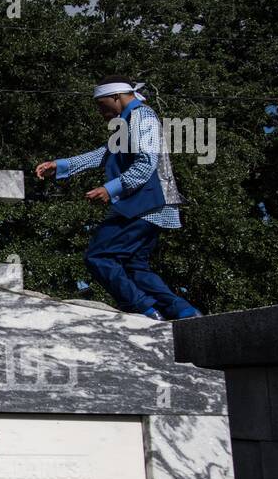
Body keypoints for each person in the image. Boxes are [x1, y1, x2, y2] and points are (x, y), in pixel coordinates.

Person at [34, 78, 201, 320]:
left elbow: (146, 163)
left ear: (117, 97)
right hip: (151, 203)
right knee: (135, 265)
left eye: (102, 105)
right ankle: (182, 310)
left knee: (99, 256)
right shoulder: (128, 122)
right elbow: (104, 154)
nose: (101, 112)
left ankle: (143, 309)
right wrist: (62, 165)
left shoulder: (142, 117)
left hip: (144, 202)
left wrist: (110, 189)